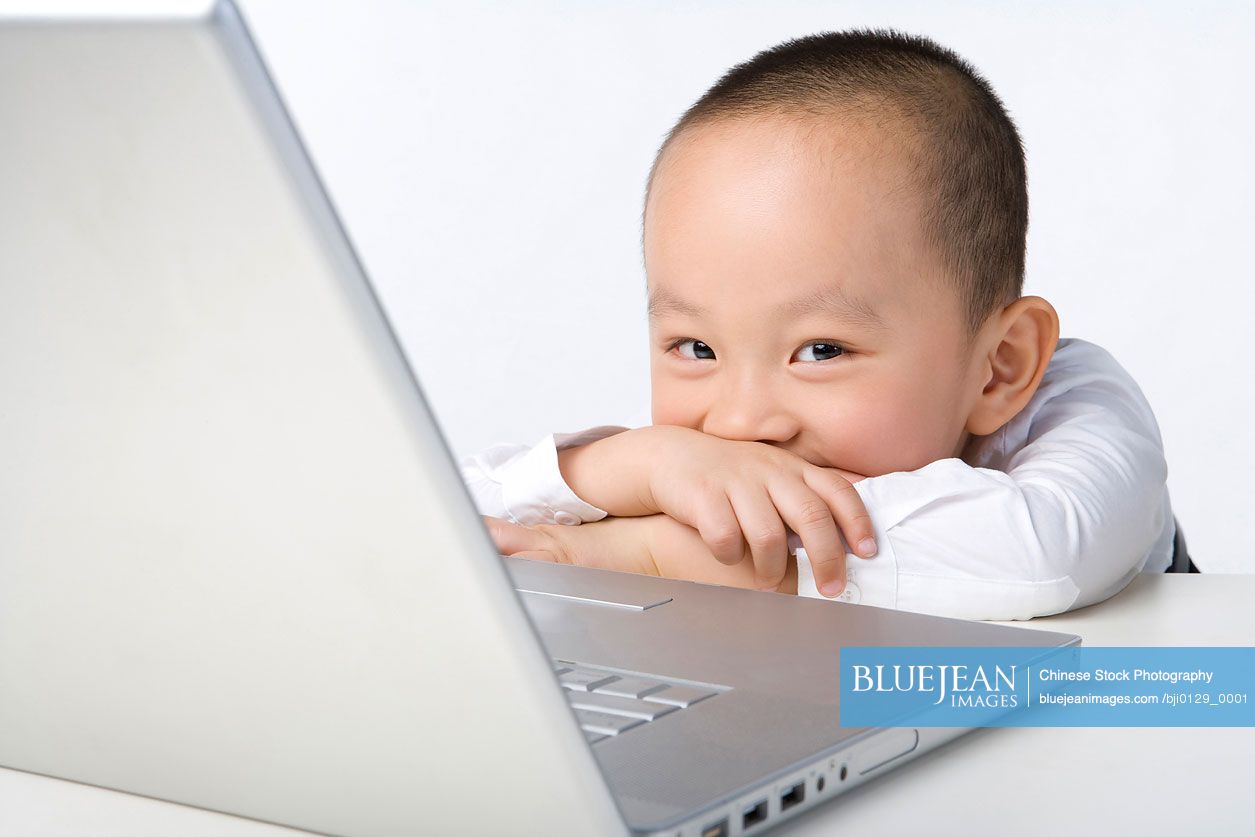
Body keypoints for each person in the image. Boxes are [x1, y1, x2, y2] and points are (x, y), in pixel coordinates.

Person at [461, 29, 1174, 621]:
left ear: (1000, 365)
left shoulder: (1078, 406)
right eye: (695, 346)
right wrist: (624, 466)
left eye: (819, 350)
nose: (740, 422)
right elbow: (451, 509)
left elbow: (1044, 554)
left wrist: (645, 555)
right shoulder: (709, 444)